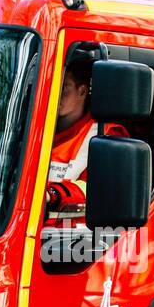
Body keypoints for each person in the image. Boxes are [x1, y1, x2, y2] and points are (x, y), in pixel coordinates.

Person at [45, 48, 98, 219]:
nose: (55, 94)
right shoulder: (36, 126)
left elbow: (97, 191)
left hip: (71, 236)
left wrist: (51, 194)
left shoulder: (103, 135)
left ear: (82, 91)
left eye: (64, 88)